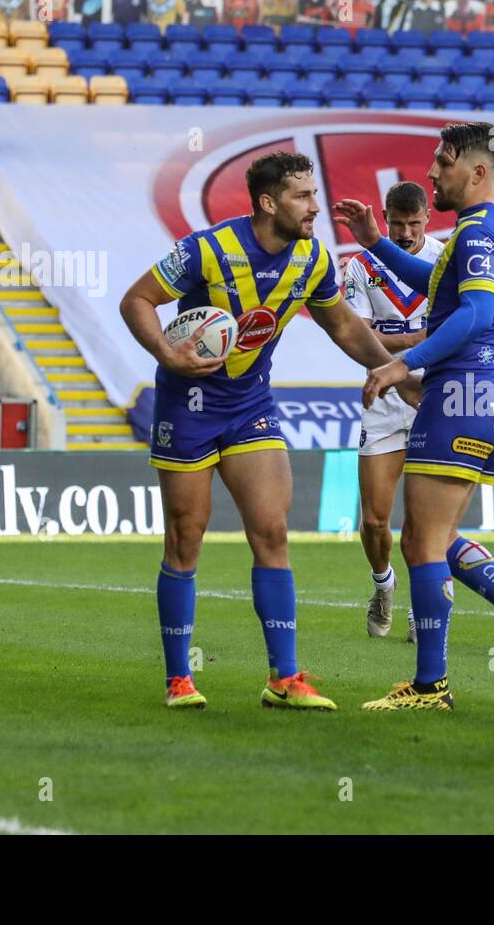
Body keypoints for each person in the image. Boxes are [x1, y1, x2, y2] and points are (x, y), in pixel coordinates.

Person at [119, 152, 400, 712]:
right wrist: (167, 354)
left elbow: (342, 323)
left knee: (271, 533)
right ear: (269, 203)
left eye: (314, 195)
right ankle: (179, 679)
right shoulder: (207, 249)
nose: (315, 206)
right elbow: (137, 300)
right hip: (189, 404)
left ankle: (286, 679)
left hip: (250, 405)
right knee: (186, 539)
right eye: (303, 197)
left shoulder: (311, 259)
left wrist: (392, 372)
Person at [334, 123, 494, 711]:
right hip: (487, 397)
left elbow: (471, 312)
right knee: (434, 537)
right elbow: (439, 284)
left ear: (478, 172)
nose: (433, 173)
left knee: (420, 542)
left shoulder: (479, 232)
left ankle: (431, 685)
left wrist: (400, 364)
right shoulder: (493, 226)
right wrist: (375, 242)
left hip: (459, 393)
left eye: (443, 163)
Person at [342, 181, 443, 644]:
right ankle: (384, 585)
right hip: (383, 398)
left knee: (425, 523)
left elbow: (464, 329)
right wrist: (418, 346)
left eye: (413, 223)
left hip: (434, 399)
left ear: (427, 217)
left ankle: (422, 608)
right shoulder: (360, 266)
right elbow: (360, 341)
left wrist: (396, 352)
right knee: (375, 521)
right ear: (383, 217)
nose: (404, 233)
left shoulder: (447, 258)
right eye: (396, 223)